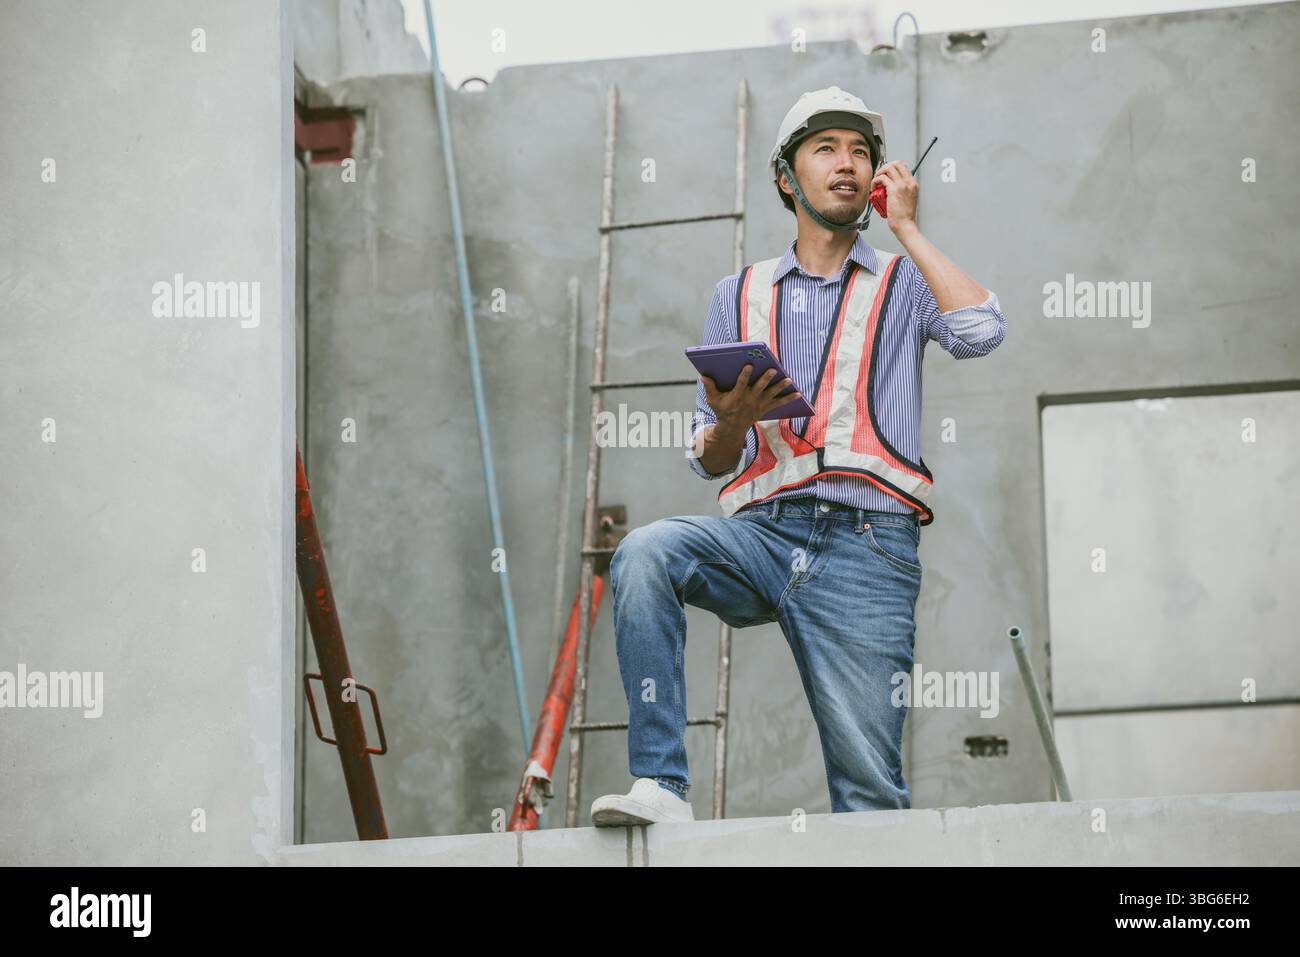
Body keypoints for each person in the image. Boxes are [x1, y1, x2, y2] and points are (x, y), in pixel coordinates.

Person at [589, 86, 1006, 827]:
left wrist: (907, 228)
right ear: (787, 178)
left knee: (870, 796)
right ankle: (661, 785)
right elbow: (710, 459)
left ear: (877, 179)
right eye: (826, 149)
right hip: (760, 535)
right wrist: (729, 421)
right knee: (646, 552)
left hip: (868, 549)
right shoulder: (739, 293)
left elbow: (981, 331)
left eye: (861, 152)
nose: (847, 163)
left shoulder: (905, 281)